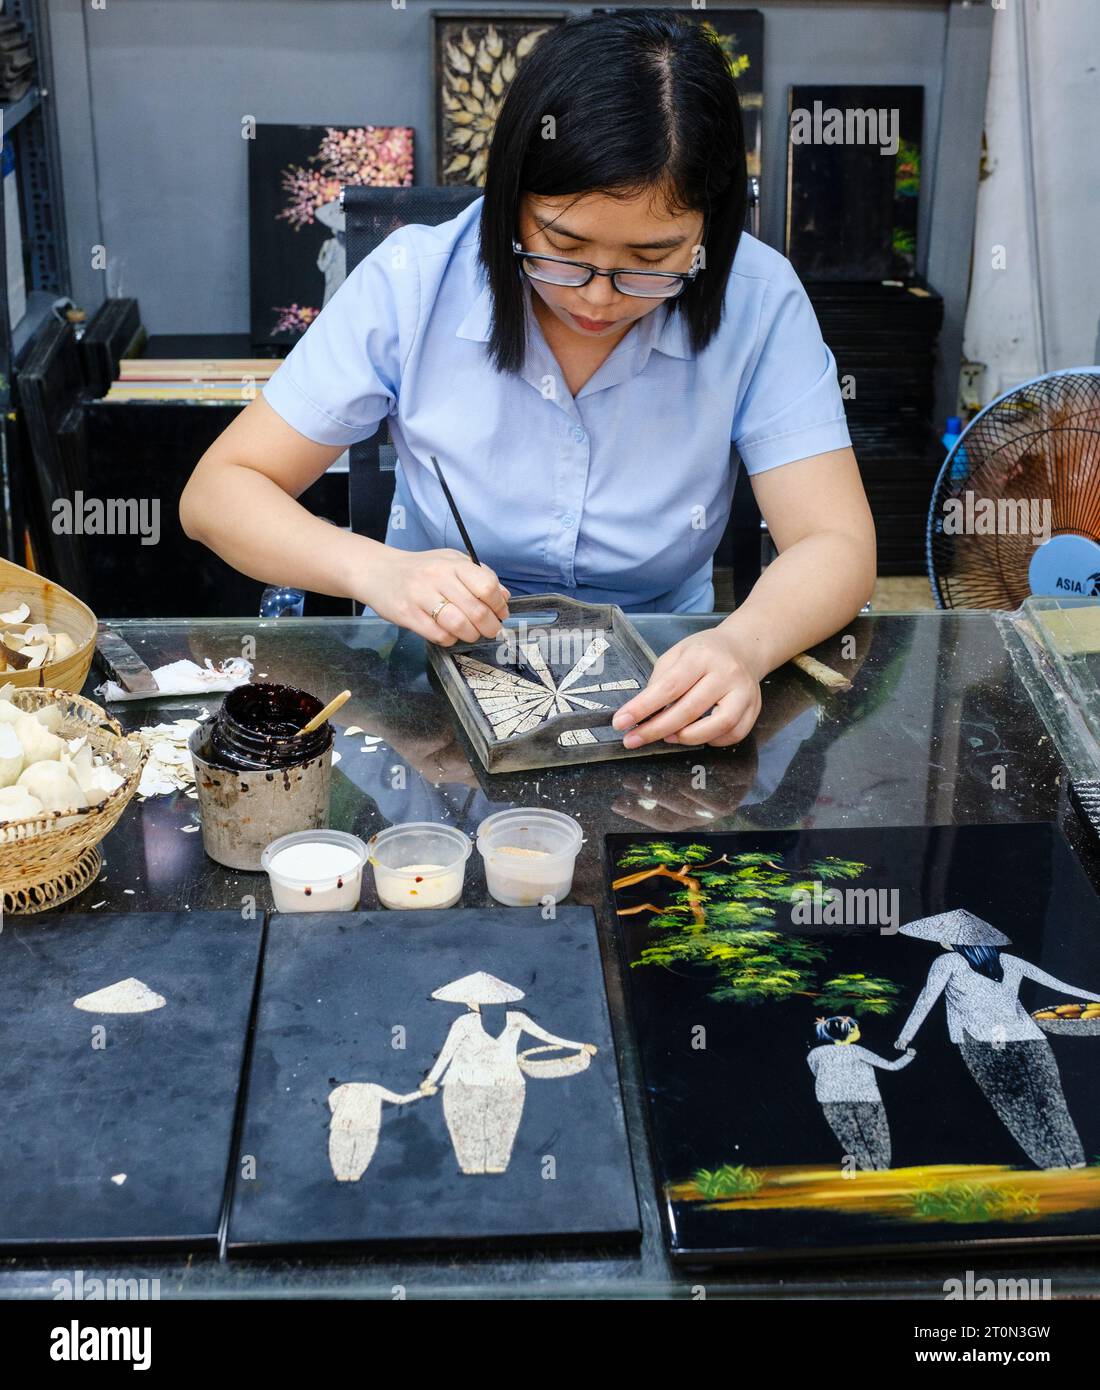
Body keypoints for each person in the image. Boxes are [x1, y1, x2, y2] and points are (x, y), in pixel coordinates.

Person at [179, 9, 874, 751]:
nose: (598, 297)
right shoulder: (415, 282)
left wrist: (745, 645)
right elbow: (218, 493)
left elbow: (835, 542)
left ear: (712, 228)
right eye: (564, 246)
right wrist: (377, 571)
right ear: (511, 199)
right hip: (422, 689)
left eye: (651, 259)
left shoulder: (759, 301)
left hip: (661, 682)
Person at [895, 908, 1099, 1169]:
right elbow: (1061, 986)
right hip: (1030, 1040)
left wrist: (905, 1036)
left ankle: (1053, 1165)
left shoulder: (947, 962)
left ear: (950, 940)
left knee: (1015, 1108)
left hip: (983, 1044)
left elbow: (926, 1000)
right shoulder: (1012, 962)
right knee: (1051, 1103)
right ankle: (1076, 1162)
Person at [807, 1016, 915, 1171]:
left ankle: (867, 1170)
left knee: (849, 1139)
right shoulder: (858, 1051)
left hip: (830, 1100)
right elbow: (892, 1066)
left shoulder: (815, 1053)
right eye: (856, 1028)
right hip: (866, 1099)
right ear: (850, 1032)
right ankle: (881, 1171)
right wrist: (909, 1056)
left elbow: (816, 1073)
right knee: (876, 1136)